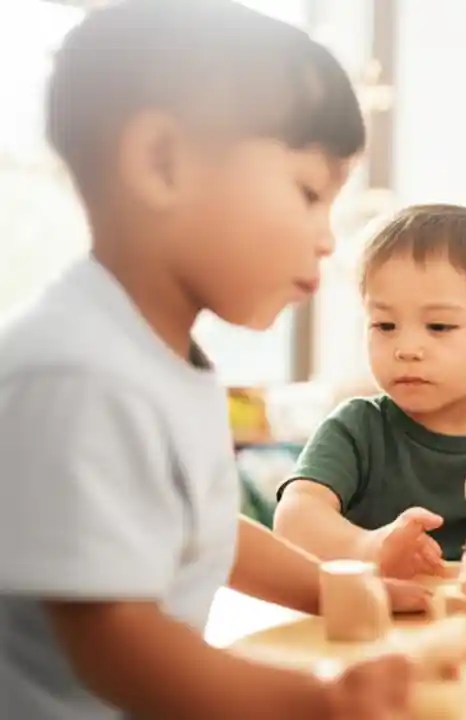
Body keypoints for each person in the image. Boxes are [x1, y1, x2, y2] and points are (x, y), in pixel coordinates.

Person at [0, 2, 429, 717]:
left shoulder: (160, 358)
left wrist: (335, 587)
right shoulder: (76, 373)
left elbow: (210, 531)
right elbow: (117, 642)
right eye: (307, 193)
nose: (327, 239)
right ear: (160, 162)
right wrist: (314, 704)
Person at [274, 205, 466, 576]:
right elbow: (295, 519)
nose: (406, 348)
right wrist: (368, 547)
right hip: (374, 625)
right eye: (385, 324)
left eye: (438, 326)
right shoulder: (357, 429)